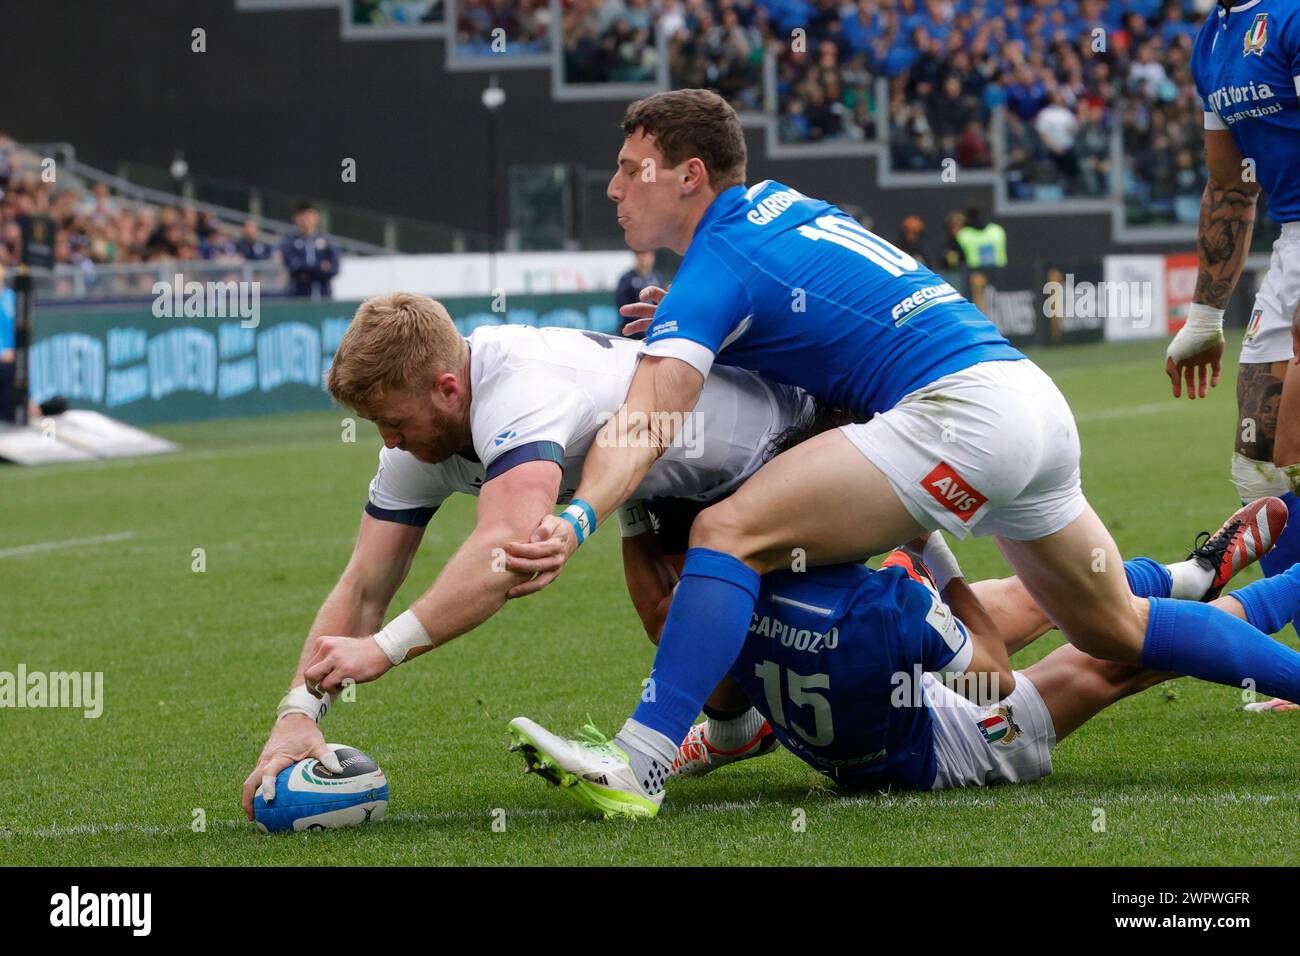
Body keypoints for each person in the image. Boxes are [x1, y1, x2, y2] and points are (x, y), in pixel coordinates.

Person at [497, 88, 1300, 819]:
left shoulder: (719, 261)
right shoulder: (779, 212)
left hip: (961, 416)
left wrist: (578, 514)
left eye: (630, 169)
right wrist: (701, 324)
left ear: (689, 175)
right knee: (1120, 631)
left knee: (726, 534)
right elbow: (821, 328)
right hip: (1026, 401)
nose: (612, 188)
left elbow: (650, 419)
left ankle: (641, 761)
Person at [240, 292, 852, 815]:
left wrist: (384, 650)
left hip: (790, 438)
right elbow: (365, 586)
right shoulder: (413, 450)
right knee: (668, 615)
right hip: (677, 478)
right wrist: (299, 712)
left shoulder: (518, 389)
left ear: (448, 388)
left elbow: (505, 551)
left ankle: (934, 620)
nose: (388, 440)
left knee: (823, 640)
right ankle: (733, 729)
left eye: (392, 420)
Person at [513, 499, 1292, 796]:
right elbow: (989, 680)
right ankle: (1252, 593)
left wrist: (632, 500)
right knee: (1118, 655)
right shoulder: (890, 597)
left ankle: (1189, 573)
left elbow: (660, 607)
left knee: (1036, 599)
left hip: (841, 702)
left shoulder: (722, 598)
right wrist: (938, 559)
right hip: (957, 742)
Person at [1165, 0, 1300, 708]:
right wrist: (1206, 313)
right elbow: (1230, 185)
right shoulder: (1214, 37)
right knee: (1260, 461)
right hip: (1291, 248)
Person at [279, 201, 339, 298]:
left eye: (309, 214)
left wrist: (306, 273)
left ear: (316, 216)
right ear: (295, 218)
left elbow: (334, 268)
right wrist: (320, 267)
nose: (306, 218)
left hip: (324, 296)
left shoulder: (328, 242)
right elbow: (294, 266)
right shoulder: (289, 242)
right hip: (297, 297)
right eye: (302, 214)